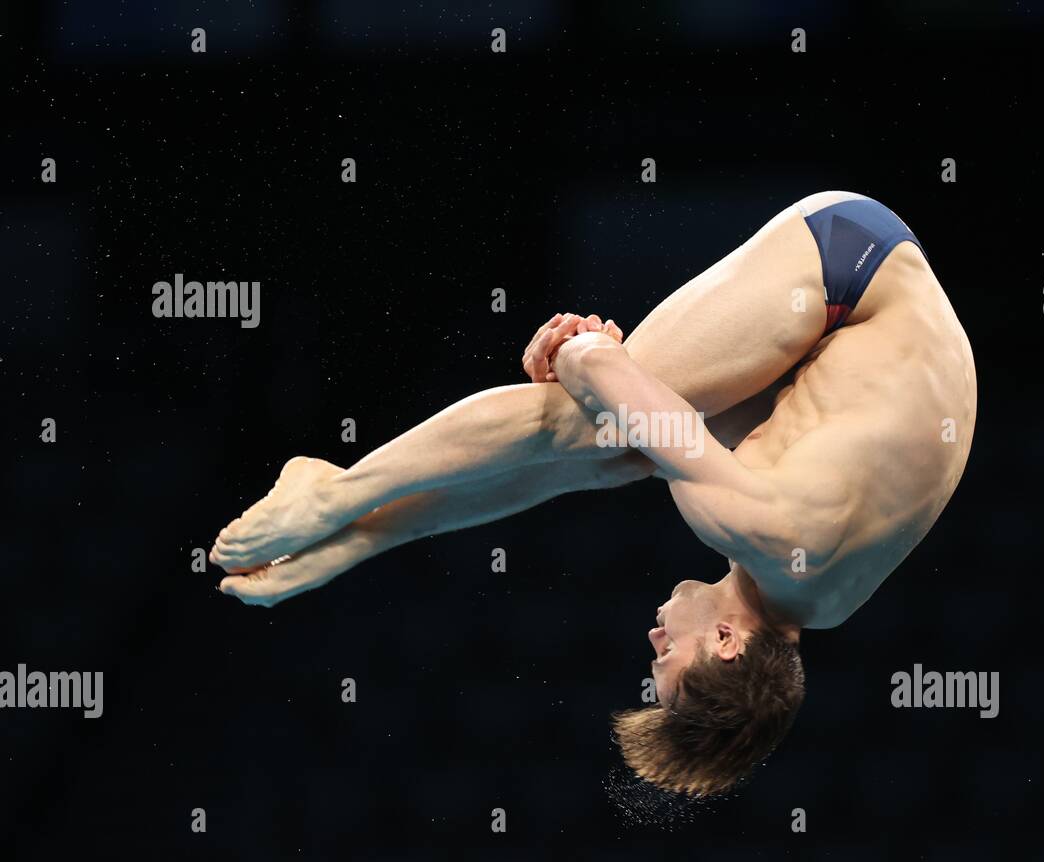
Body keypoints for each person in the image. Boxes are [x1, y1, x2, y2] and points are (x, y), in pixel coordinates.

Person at [209, 190, 977, 796]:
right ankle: (336, 492)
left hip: (871, 325)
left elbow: (755, 422)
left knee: (620, 451)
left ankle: (364, 532)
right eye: (665, 664)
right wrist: (579, 351)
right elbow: (591, 365)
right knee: (590, 432)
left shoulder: (823, 604)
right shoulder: (756, 529)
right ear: (728, 643)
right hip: (853, 263)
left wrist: (610, 374)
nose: (651, 643)